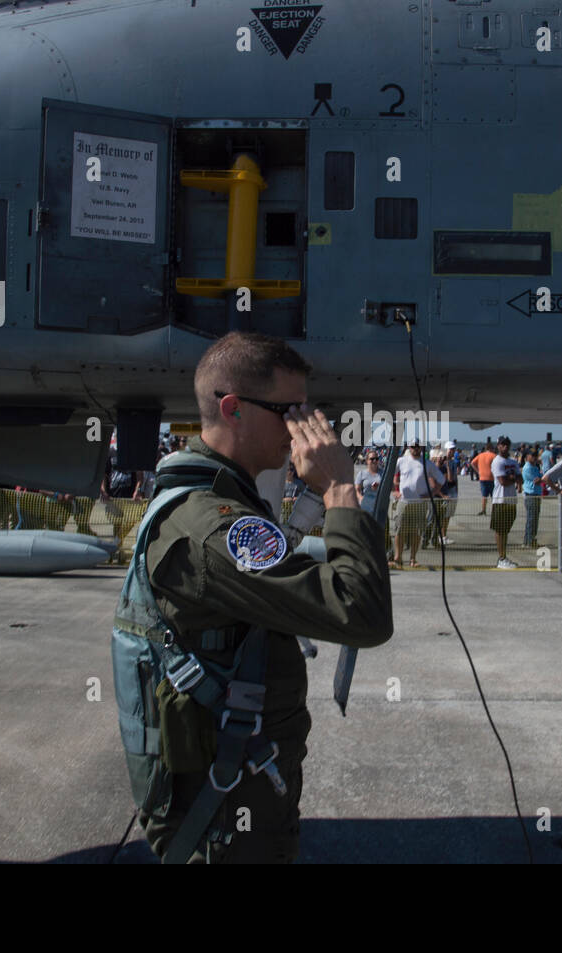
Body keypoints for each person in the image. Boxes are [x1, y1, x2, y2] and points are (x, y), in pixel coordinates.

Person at [135, 330, 393, 862]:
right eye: (288, 410)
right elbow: (361, 614)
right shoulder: (212, 526)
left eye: (307, 409)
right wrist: (341, 489)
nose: (305, 427)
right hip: (225, 819)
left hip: (237, 793)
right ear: (233, 410)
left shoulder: (223, 502)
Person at [390, 438, 441, 569]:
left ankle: (413, 558)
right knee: (399, 531)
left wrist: (432, 493)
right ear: (409, 448)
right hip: (403, 502)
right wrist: (394, 492)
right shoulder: (401, 461)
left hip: (420, 504)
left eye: (417, 446)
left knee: (416, 532)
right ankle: (398, 558)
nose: (415, 448)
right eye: (413, 446)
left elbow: (441, 479)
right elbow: (388, 475)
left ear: (421, 448)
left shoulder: (427, 464)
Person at [489, 437, 521, 569]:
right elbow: (503, 481)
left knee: (506, 530)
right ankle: (501, 557)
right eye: (502, 445)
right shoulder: (497, 462)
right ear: (498, 446)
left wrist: (513, 478)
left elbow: (520, 478)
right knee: (499, 530)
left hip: (511, 499)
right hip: (500, 499)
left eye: (507, 445)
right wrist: (513, 478)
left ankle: (504, 556)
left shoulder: (513, 462)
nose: (505, 447)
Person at [521, 449, 543, 548]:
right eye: (532, 455)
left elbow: (540, 477)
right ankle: (528, 540)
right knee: (531, 518)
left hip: (536, 494)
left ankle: (531, 539)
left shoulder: (535, 467)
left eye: (535, 455)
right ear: (527, 456)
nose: (534, 457)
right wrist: (543, 478)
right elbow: (536, 480)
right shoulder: (527, 468)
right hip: (530, 495)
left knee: (535, 519)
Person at [471, 443, 497, 516]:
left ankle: (483, 510)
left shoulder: (480, 455)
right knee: (493, 496)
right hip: (491, 477)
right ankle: (494, 511)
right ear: (491, 448)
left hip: (482, 477)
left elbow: (472, 463)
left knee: (484, 495)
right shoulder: (494, 456)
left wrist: (478, 471)